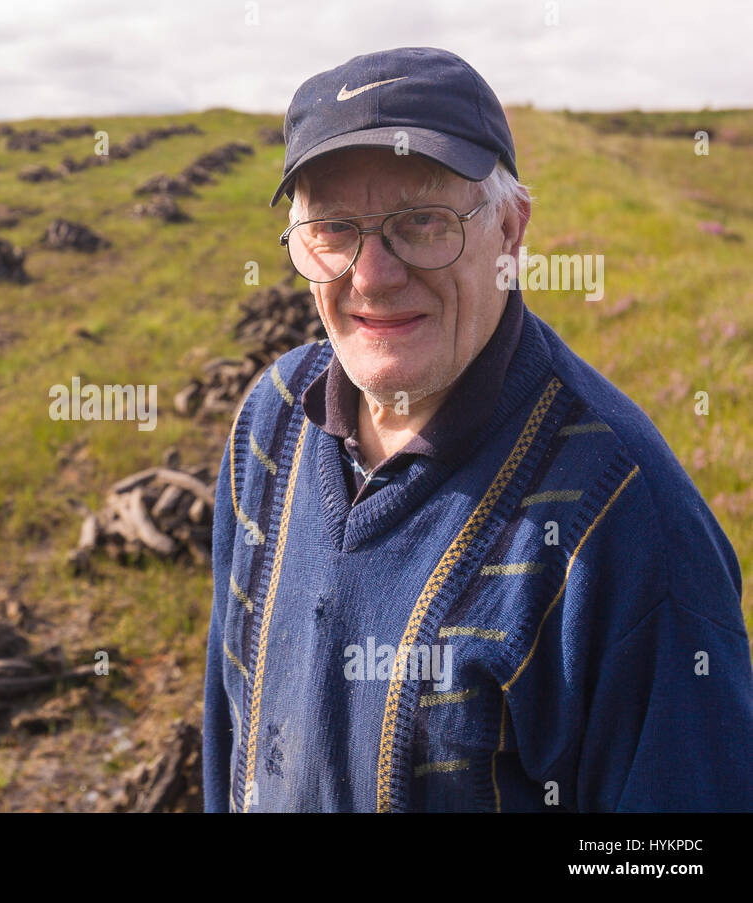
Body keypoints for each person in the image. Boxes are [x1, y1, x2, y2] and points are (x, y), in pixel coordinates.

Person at [201, 46, 753, 812]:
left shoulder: (628, 526)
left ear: (511, 228)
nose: (372, 275)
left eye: (422, 221)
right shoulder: (268, 423)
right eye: (332, 228)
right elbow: (227, 738)